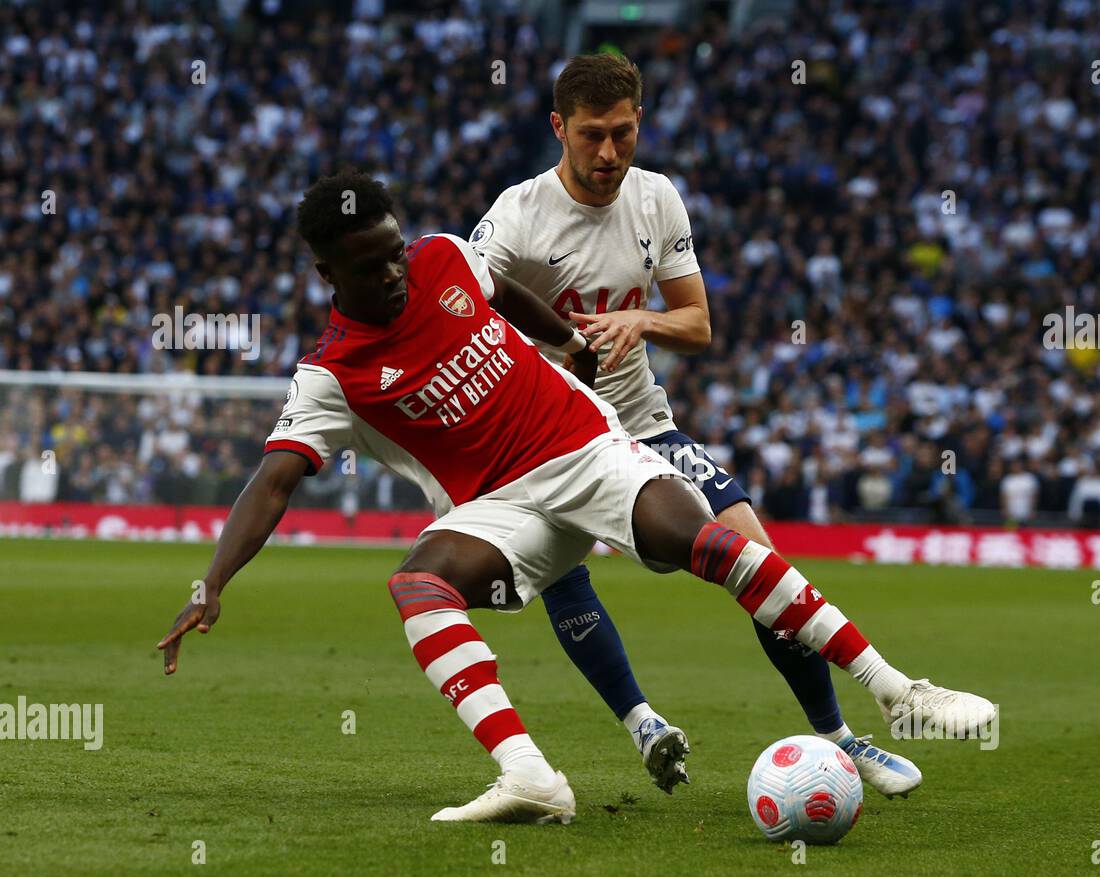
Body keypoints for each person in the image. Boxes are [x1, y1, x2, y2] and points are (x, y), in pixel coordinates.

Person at [156, 170, 997, 825]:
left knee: (705, 544)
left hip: (585, 450)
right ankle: (529, 776)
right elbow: (273, 480)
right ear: (324, 272)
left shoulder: (443, 256)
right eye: (368, 265)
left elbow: (499, 289)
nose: (393, 271)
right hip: (499, 509)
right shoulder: (331, 373)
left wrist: (561, 342)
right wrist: (214, 582)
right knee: (418, 582)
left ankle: (899, 691)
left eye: (393, 248)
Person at [471, 53, 921, 799]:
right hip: (550, 439)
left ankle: (841, 739)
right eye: (591, 137)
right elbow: (466, 312)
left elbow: (698, 325)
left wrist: (639, 320)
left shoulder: (658, 200)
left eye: (622, 133)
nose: (609, 154)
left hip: (645, 424)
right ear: (558, 128)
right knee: (559, 571)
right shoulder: (516, 216)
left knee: (758, 556)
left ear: (639, 121)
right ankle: (642, 723)